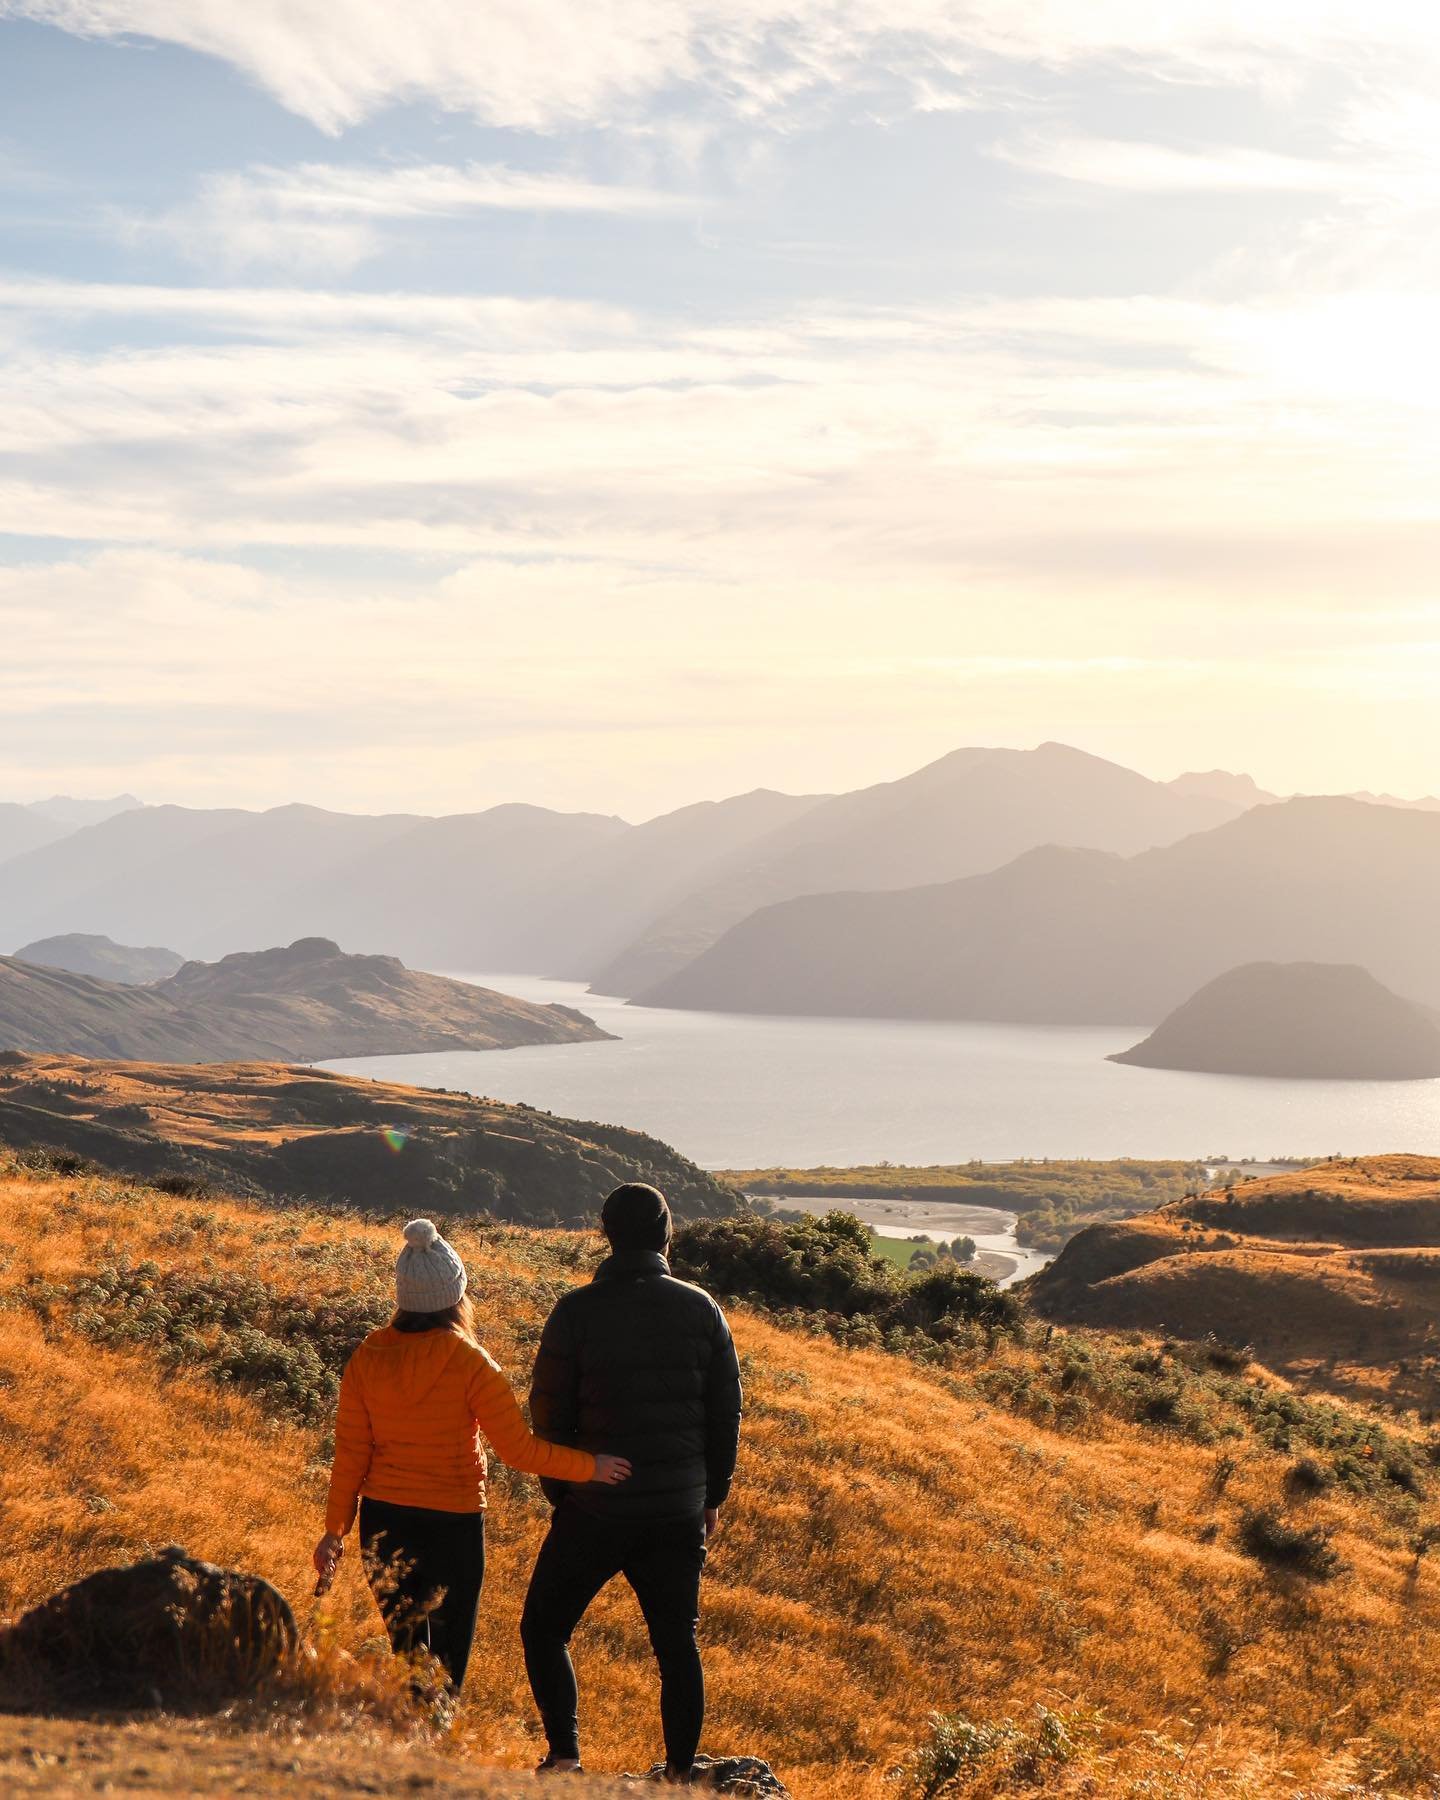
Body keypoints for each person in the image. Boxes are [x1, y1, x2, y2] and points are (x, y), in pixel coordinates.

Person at [313, 1218, 631, 1692]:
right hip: (452, 1527)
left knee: (408, 1658)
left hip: (383, 1524)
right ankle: (432, 1755)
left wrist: (334, 1531)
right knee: (444, 1666)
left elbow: (350, 1458)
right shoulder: (472, 1363)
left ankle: (404, 1751)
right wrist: (593, 1467)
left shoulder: (368, 1357)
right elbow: (519, 1450)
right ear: (456, 1295)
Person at [521, 1183, 743, 1779]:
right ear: (666, 1234)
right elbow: (724, 1414)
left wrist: (565, 1491)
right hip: (676, 1512)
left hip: (594, 1509)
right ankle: (678, 1773)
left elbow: (548, 1414)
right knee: (677, 1647)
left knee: (544, 1626)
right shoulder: (703, 1309)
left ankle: (565, 1756)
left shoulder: (575, 1312)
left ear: (607, 1235)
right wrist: (711, 1497)